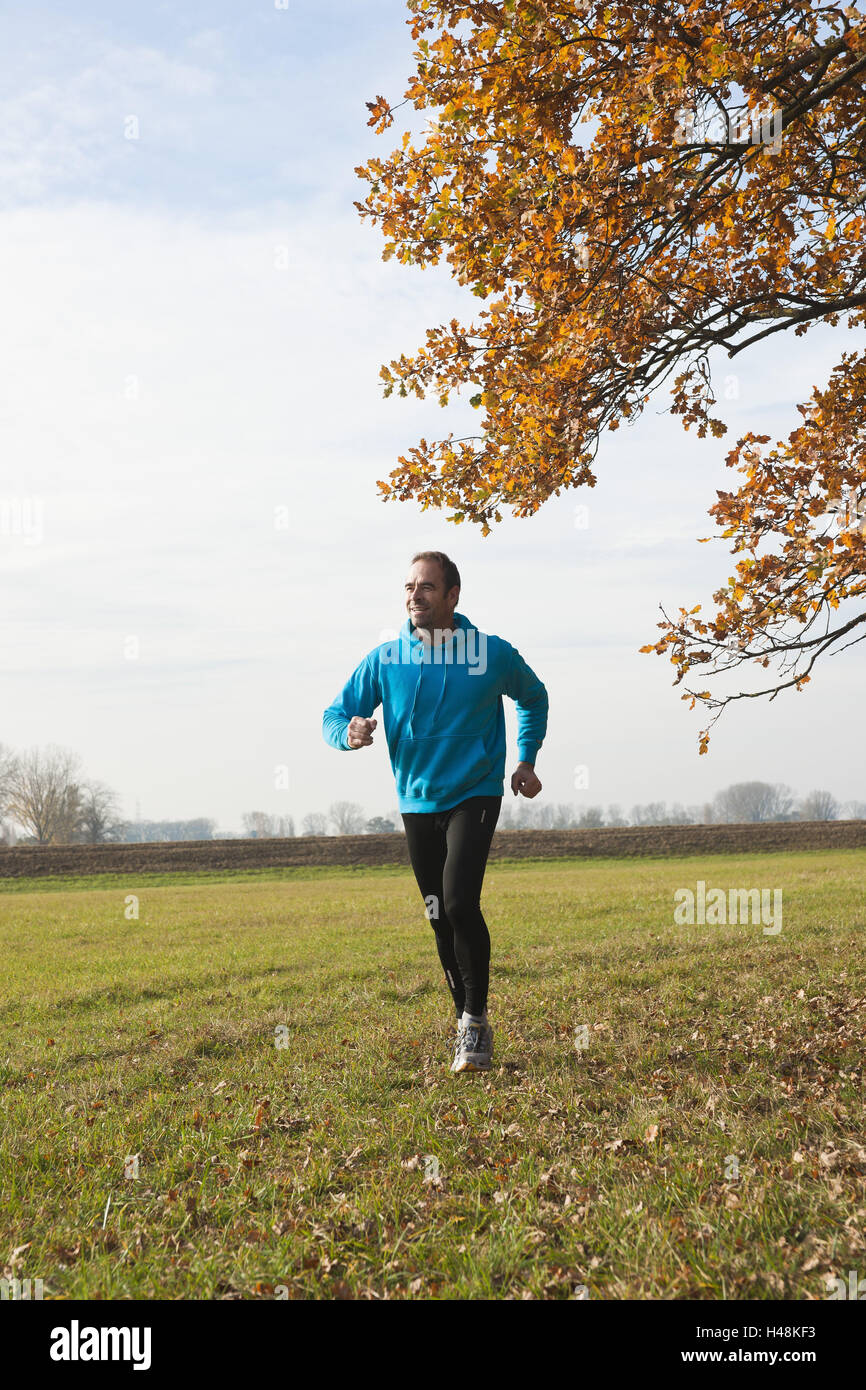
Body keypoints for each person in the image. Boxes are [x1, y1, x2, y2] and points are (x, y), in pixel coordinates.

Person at [322, 551, 548, 1073]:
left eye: (426, 587)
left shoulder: (489, 654)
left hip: (475, 791)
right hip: (416, 800)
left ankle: (473, 1023)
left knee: (459, 901)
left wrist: (526, 759)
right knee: (437, 915)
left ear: (452, 595)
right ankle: (468, 1021)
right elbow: (335, 713)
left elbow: (533, 697)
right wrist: (348, 733)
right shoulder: (386, 659)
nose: (414, 596)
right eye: (408, 587)